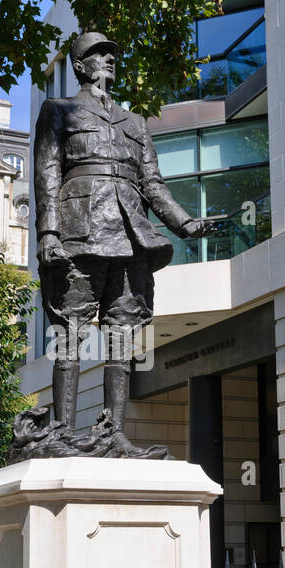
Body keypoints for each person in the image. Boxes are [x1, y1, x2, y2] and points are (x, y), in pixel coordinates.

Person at [34, 30, 212, 455]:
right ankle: (60, 432)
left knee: (120, 335)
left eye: (112, 53)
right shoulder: (58, 110)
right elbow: (47, 172)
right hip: (79, 232)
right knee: (71, 331)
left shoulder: (134, 122)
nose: (108, 59)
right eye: (99, 53)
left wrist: (184, 222)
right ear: (79, 66)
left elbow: (152, 182)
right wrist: (48, 232)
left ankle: (113, 434)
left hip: (131, 236)